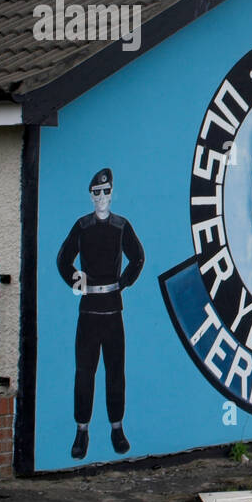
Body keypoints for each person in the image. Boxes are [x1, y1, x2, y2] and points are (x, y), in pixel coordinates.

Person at [56, 168, 144, 459]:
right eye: (97, 192)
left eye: (106, 192)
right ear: (91, 195)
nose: (102, 197)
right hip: (89, 310)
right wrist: (77, 282)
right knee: (85, 373)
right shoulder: (82, 226)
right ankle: (82, 430)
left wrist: (124, 282)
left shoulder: (121, 226)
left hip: (113, 309)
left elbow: (138, 257)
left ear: (112, 192)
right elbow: (63, 259)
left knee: (115, 373)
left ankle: (117, 428)